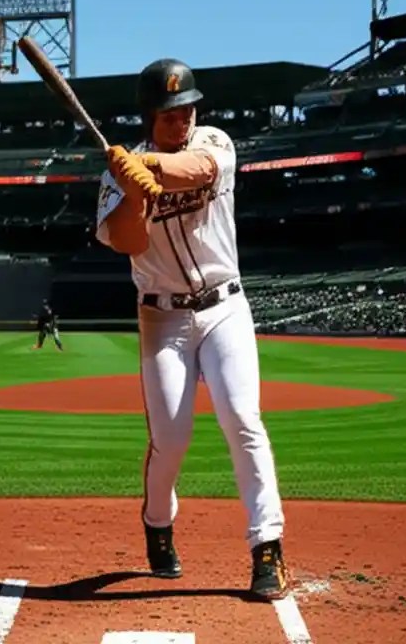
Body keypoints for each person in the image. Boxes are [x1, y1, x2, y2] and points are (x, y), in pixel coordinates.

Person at [93, 58, 288, 600]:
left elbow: (199, 170)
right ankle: (157, 521)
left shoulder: (214, 141)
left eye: (187, 111)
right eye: (170, 115)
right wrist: (133, 191)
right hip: (163, 318)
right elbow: (128, 242)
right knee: (171, 441)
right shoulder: (116, 174)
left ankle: (267, 546)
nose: (182, 121)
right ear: (150, 117)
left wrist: (149, 167)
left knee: (243, 418)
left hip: (225, 305)